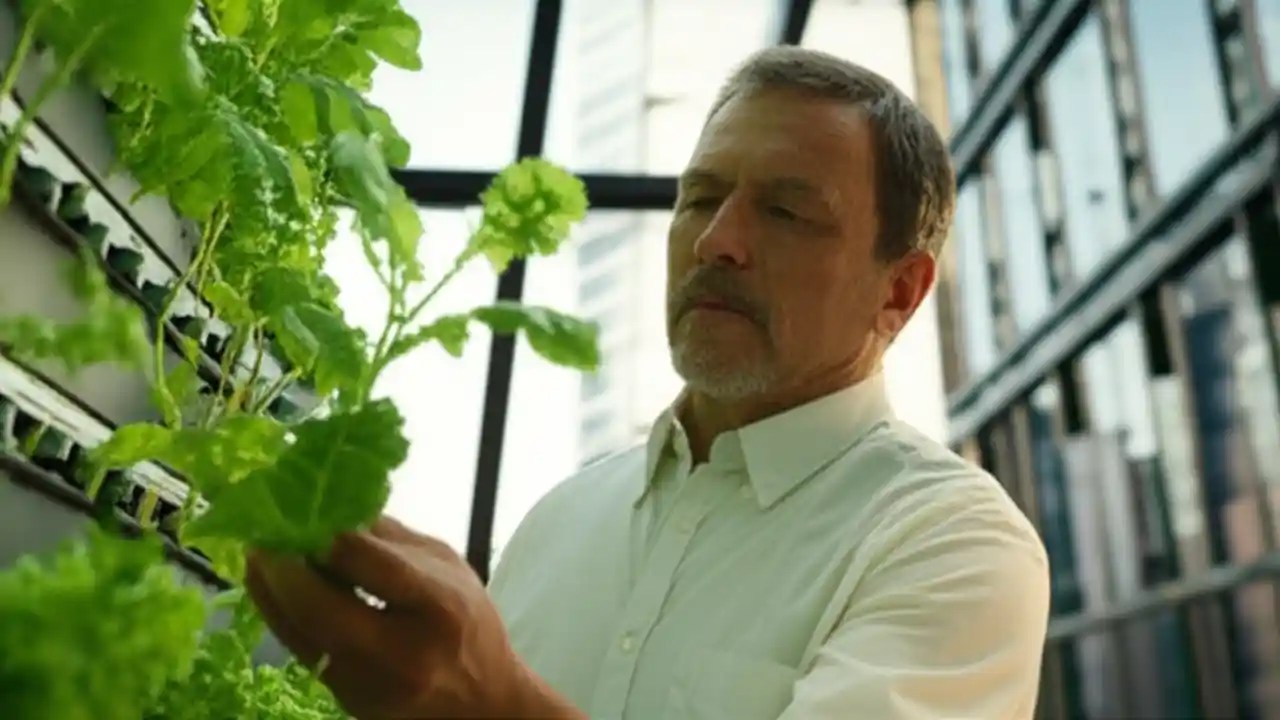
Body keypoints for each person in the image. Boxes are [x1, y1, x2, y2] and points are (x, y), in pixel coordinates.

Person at [244, 46, 1051, 719]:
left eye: (787, 213)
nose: (717, 241)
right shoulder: (559, 518)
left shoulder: (954, 545)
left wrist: (498, 703)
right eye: (700, 197)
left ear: (899, 292)